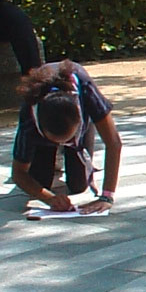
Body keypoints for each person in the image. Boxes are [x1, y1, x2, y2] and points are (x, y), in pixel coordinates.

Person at [12, 60, 123, 212]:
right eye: (59, 141)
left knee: (79, 184)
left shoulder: (86, 90)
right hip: (45, 135)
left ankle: (71, 145)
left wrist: (106, 196)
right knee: (40, 181)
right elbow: (18, 173)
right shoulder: (29, 119)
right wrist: (48, 198)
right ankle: (54, 154)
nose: (65, 142)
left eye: (68, 138)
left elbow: (114, 143)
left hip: (78, 125)